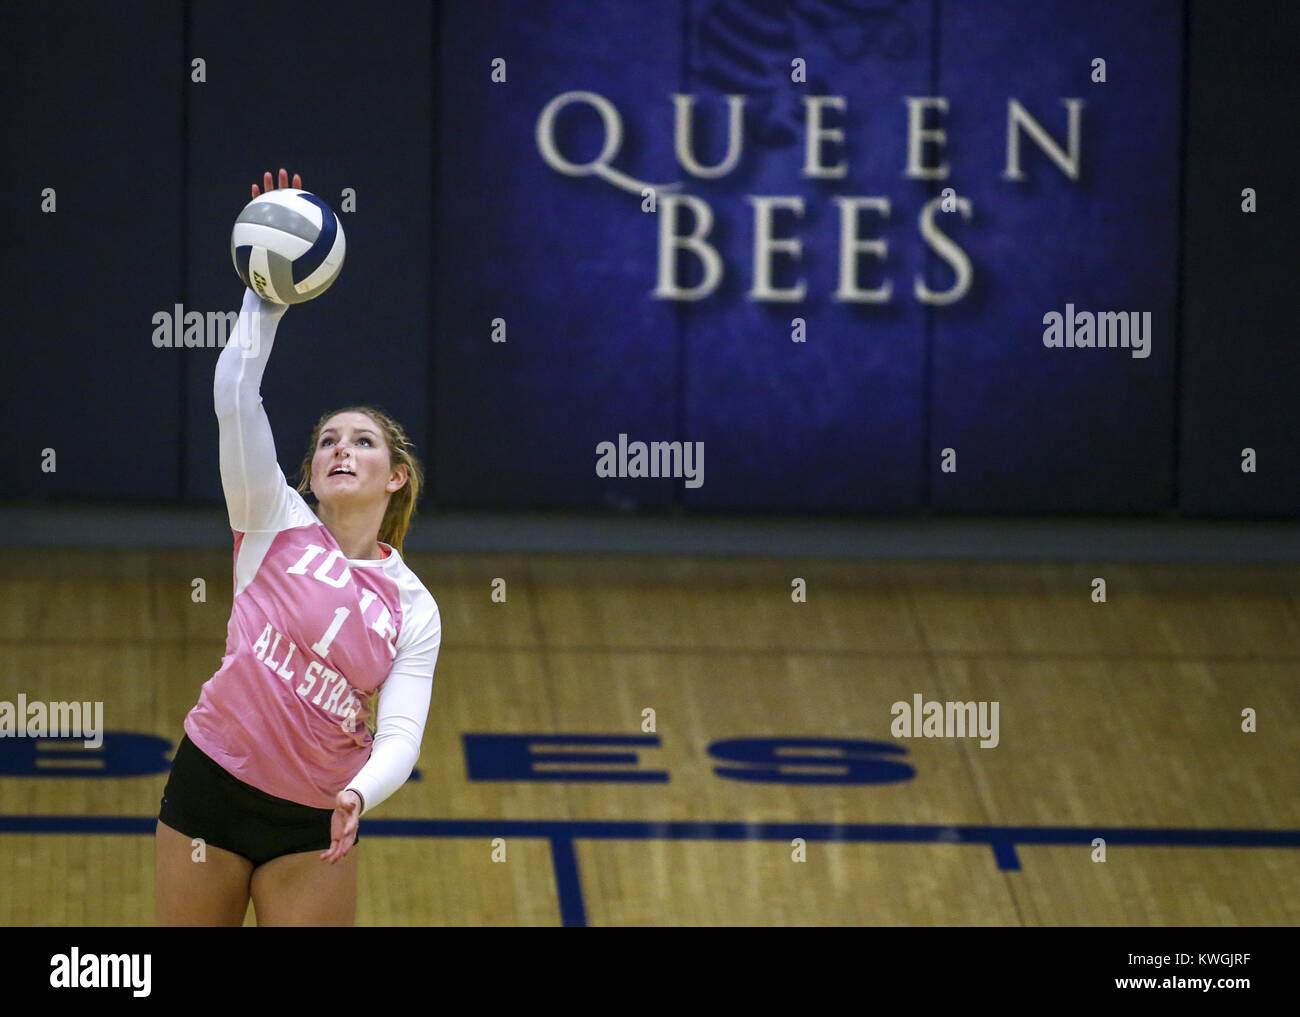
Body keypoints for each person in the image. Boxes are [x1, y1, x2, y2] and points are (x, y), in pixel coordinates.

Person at [155, 169, 441, 926]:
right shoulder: (271, 516)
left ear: (396, 475)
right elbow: (234, 393)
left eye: (363, 441)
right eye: (327, 441)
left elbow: (402, 734)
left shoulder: (411, 604)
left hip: (314, 814)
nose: (341, 449)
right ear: (309, 469)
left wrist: (359, 792)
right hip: (210, 783)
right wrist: (265, 292)